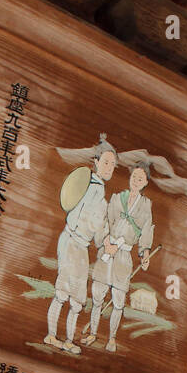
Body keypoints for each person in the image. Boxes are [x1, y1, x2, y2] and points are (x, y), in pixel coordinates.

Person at [44, 135, 116, 355]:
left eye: (113, 165)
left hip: (78, 245)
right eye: (105, 162)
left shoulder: (99, 193)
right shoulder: (92, 188)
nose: (109, 168)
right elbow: (89, 222)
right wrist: (104, 239)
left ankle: (63, 339)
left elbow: (96, 228)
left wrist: (104, 240)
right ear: (95, 161)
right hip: (73, 243)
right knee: (68, 292)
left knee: (73, 295)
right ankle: (56, 337)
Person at [85, 160, 154, 353]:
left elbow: (147, 230)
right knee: (97, 296)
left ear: (145, 182)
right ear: (129, 178)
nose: (136, 181)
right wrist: (106, 242)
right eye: (134, 177)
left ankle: (112, 338)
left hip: (124, 254)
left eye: (140, 179)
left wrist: (144, 252)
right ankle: (92, 333)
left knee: (117, 300)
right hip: (107, 250)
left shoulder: (146, 205)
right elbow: (105, 221)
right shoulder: (116, 198)